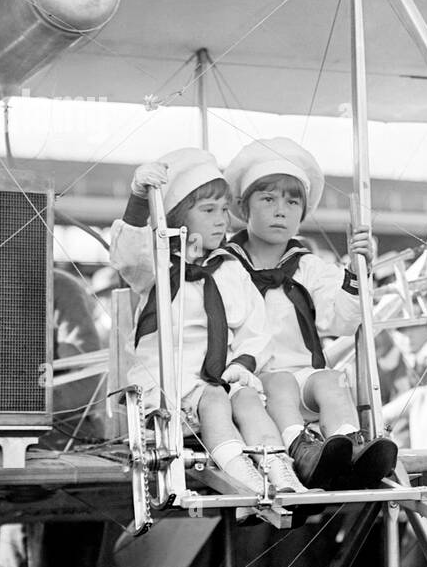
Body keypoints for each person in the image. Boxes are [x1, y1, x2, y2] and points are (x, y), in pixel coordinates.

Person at [111, 147, 302, 500]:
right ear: (179, 217)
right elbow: (127, 254)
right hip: (172, 390)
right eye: (209, 210)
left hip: (220, 380)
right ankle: (243, 477)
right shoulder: (158, 266)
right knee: (214, 398)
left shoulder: (231, 270)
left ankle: (279, 470)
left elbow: (255, 330)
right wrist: (139, 200)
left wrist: (242, 366)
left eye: (225, 211)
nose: (222, 220)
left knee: (246, 399)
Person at [222, 138, 397, 488]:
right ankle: (299, 449)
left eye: (292, 201)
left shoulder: (309, 266)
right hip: (250, 383)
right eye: (268, 199)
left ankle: (352, 446)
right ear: (244, 206)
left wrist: (357, 271)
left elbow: (343, 321)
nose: (280, 209)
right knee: (281, 381)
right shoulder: (224, 264)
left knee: (331, 379)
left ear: (302, 212)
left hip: (301, 378)